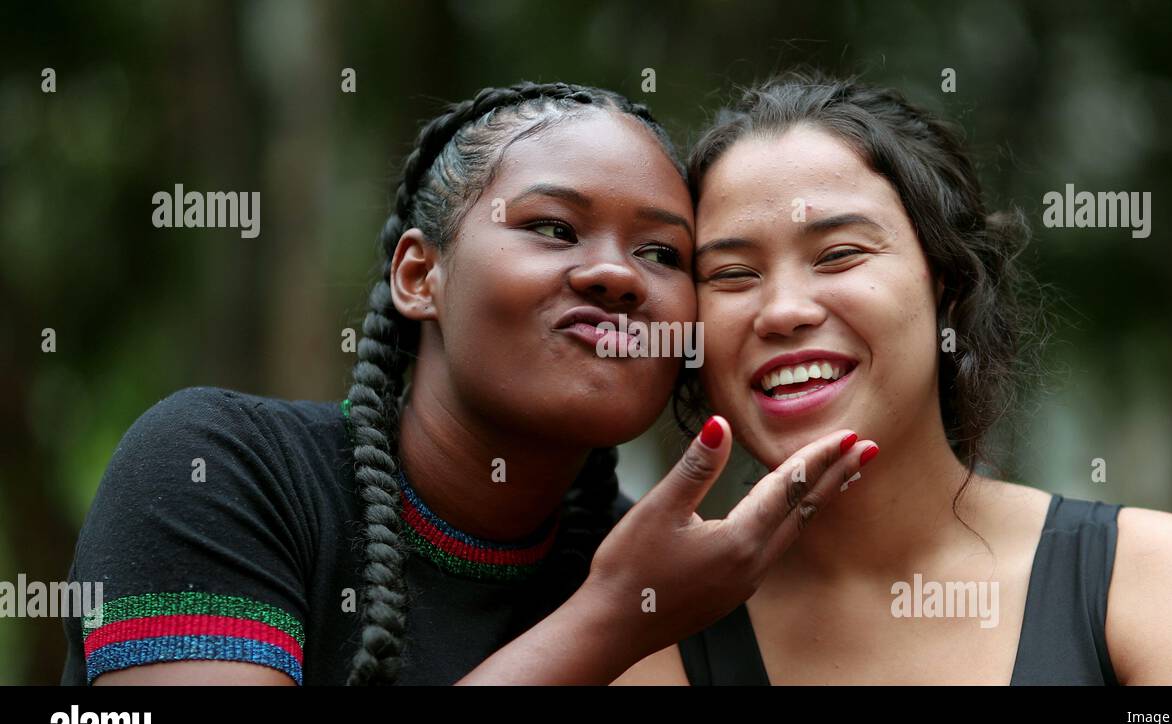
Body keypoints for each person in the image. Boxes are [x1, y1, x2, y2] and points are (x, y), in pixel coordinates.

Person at [60, 81, 876, 686]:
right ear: (421, 275)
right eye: (553, 228)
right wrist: (611, 619)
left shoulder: (669, 578)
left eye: (661, 253)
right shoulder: (216, 468)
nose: (616, 276)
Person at [614, 73, 1172, 685]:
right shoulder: (657, 630)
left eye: (840, 254)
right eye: (732, 275)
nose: (784, 310)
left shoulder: (1153, 581)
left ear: (945, 280)